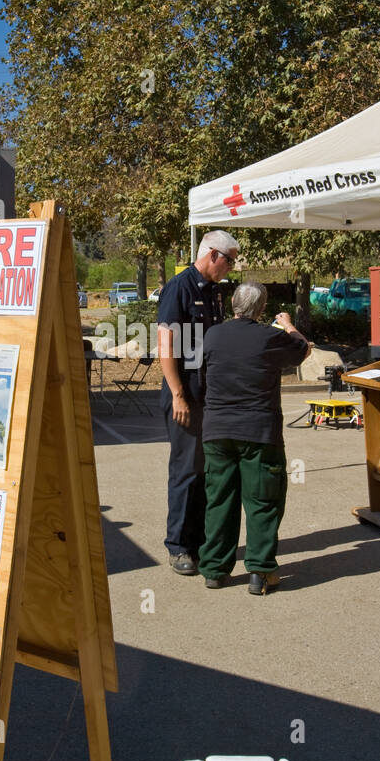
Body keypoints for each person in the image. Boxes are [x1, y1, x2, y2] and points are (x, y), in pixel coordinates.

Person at [197, 283, 310, 594]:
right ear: (261, 309)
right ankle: (259, 571)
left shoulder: (213, 335)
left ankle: (215, 570)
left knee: (220, 501)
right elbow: (303, 350)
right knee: (262, 501)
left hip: (217, 430)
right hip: (259, 431)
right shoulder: (270, 336)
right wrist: (287, 324)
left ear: (233, 304)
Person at [156, 230, 237, 575]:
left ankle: (200, 541)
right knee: (187, 470)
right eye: (230, 260)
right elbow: (166, 346)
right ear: (214, 254)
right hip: (185, 392)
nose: (231, 268)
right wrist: (177, 394)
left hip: (209, 393)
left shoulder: (215, 292)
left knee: (207, 470)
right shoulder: (180, 287)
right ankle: (179, 547)